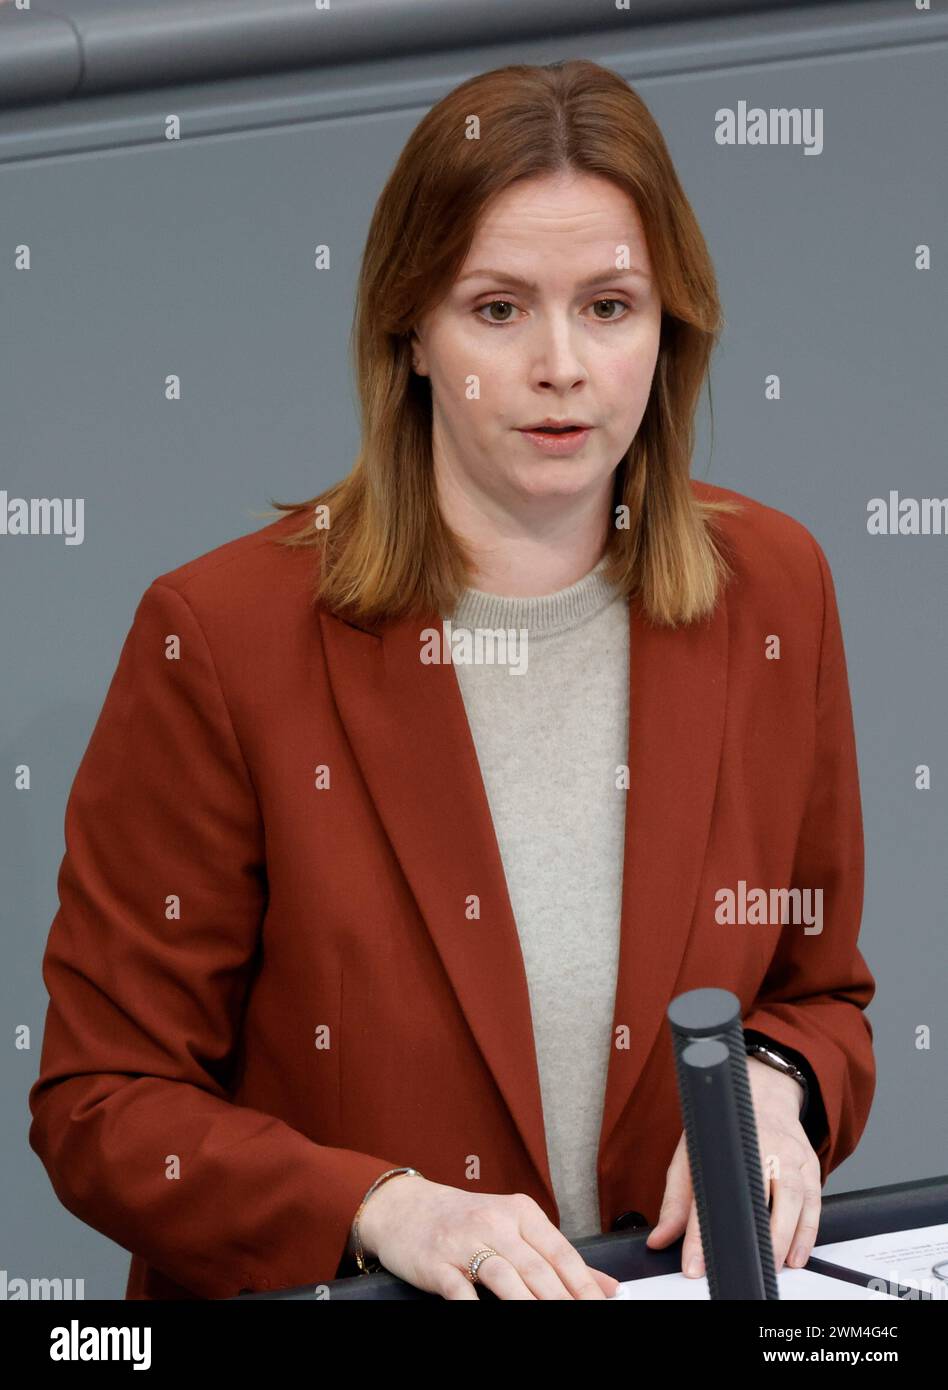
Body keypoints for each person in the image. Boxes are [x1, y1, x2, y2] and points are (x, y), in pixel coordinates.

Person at [28, 58, 875, 1301]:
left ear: (670, 325)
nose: (561, 366)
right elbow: (100, 1104)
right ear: (409, 330)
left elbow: (825, 992)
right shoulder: (220, 635)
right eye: (496, 308)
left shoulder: (776, 588)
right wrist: (378, 1208)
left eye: (608, 306)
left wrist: (776, 1077)